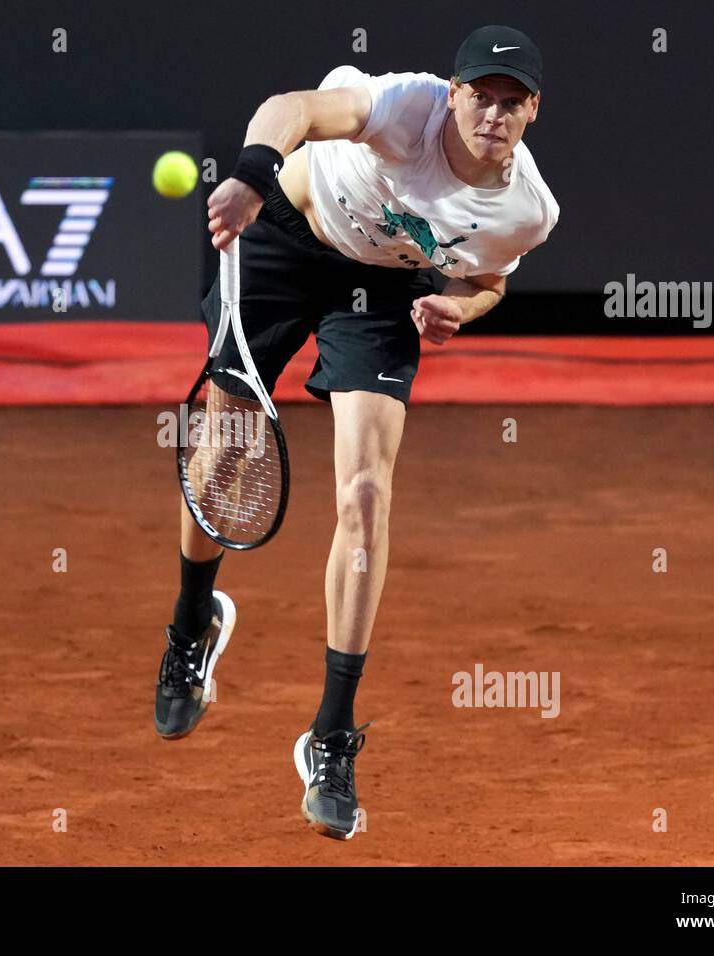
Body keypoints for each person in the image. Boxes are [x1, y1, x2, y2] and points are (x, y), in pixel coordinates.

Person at [155, 25, 559, 840]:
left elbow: (490, 280)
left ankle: (331, 735)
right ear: (455, 93)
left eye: (511, 102)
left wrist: (462, 308)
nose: (493, 112)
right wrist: (250, 176)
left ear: (532, 113)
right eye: (482, 94)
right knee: (224, 459)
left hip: (379, 289)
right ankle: (192, 623)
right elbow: (293, 107)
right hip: (283, 234)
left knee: (368, 495)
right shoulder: (405, 107)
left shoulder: (529, 210)